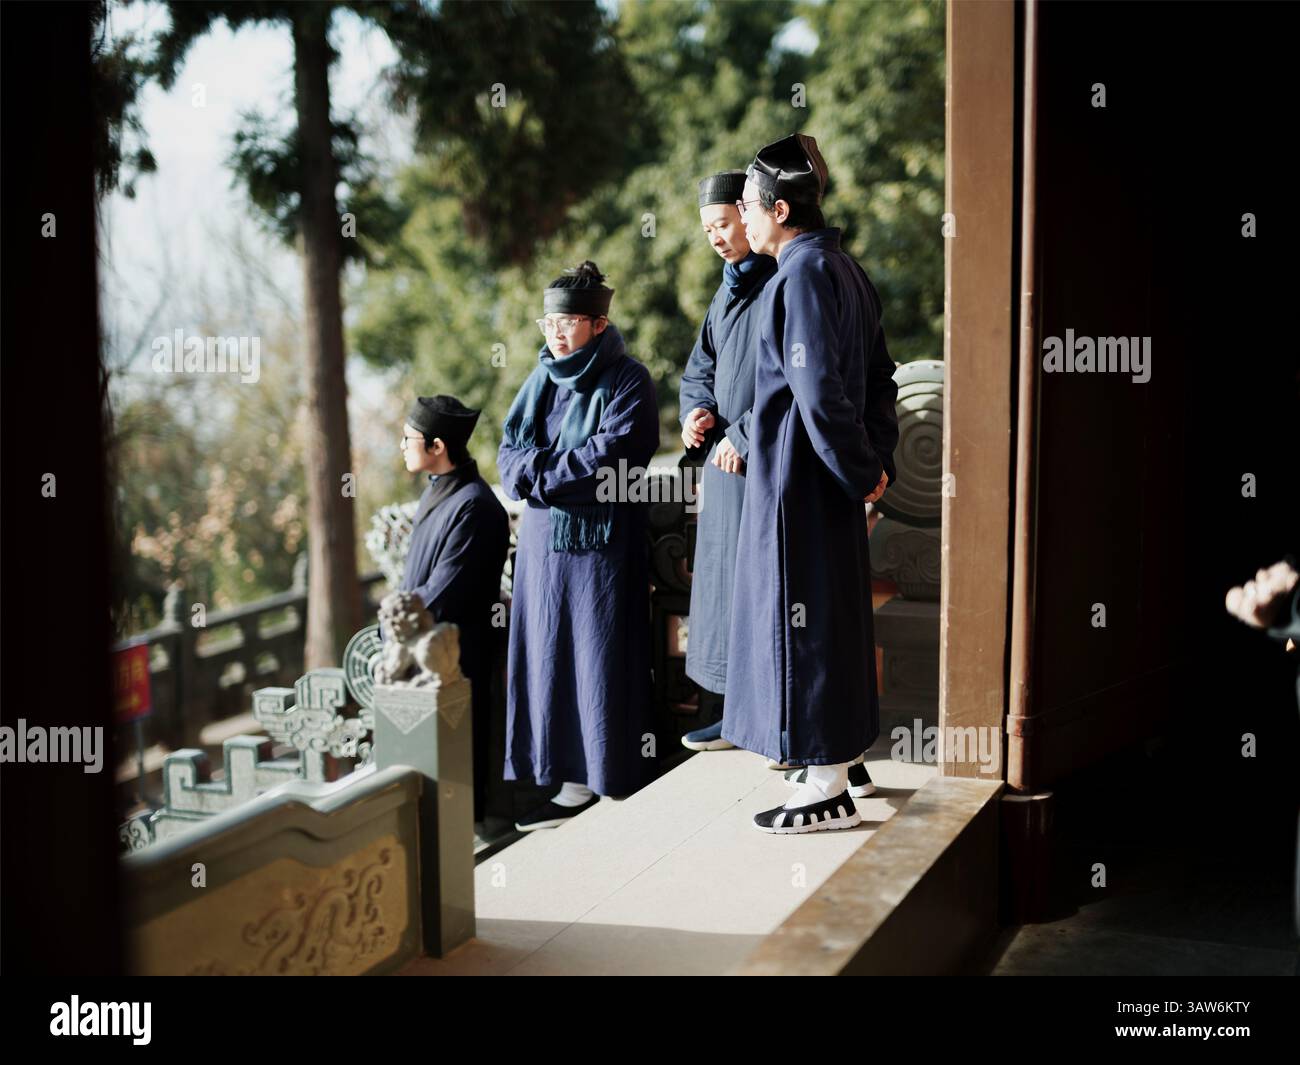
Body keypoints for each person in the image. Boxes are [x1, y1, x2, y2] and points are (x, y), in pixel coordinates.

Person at [725, 133, 900, 833]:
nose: (742, 216)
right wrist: (874, 466)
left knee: (806, 624)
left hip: (803, 481)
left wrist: (861, 472)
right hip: (831, 476)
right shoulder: (843, 268)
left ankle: (825, 781)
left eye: (748, 205)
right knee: (826, 617)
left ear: (782, 207)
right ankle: (828, 762)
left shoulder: (800, 275)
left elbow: (820, 393)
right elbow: (881, 380)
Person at [497, 261, 660, 831]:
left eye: (568, 323)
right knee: (549, 660)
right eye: (549, 324)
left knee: (599, 659)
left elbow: (612, 457)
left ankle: (611, 778)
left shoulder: (629, 379)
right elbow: (508, 455)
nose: (557, 334)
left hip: (601, 551)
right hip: (544, 550)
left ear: (599, 323)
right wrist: (548, 474)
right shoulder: (540, 379)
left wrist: (542, 476)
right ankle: (565, 782)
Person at [678, 169, 778, 752]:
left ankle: (764, 718)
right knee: (721, 590)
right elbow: (700, 370)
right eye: (708, 229)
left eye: (723, 223)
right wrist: (698, 411)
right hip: (723, 467)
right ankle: (731, 713)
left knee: (760, 591)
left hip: (761, 463)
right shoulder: (724, 292)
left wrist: (741, 430)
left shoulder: (781, 282)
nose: (716, 237)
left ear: (749, 214)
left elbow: (786, 379)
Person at [395, 394, 510, 829]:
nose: (403, 446)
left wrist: (402, 614)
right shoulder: (440, 493)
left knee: (458, 760)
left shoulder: (475, 505)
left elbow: (443, 592)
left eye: (409, 438)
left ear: (437, 446)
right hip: (422, 647)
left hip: (455, 654)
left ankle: (467, 833)